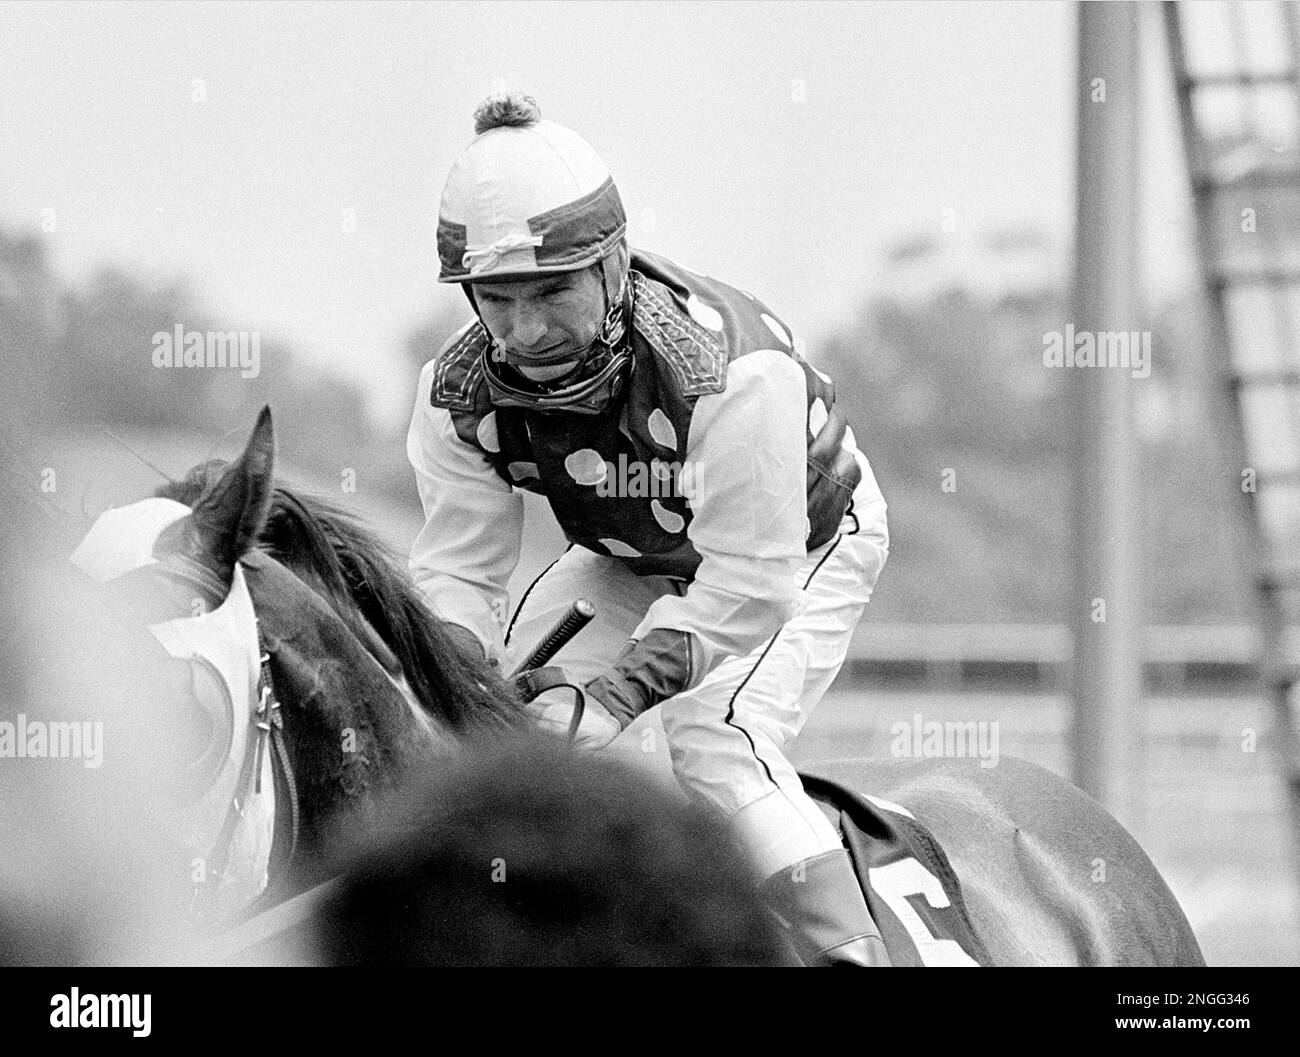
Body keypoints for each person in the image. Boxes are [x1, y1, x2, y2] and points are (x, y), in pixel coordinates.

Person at [407, 93, 891, 965]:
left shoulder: (734, 377)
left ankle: (853, 959)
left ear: (615, 262)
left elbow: (749, 585)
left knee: (715, 736)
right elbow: (457, 575)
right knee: (507, 740)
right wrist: (462, 686)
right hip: (627, 555)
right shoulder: (455, 393)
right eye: (497, 299)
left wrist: (616, 694)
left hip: (803, 545)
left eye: (551, 291)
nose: (525, 331)